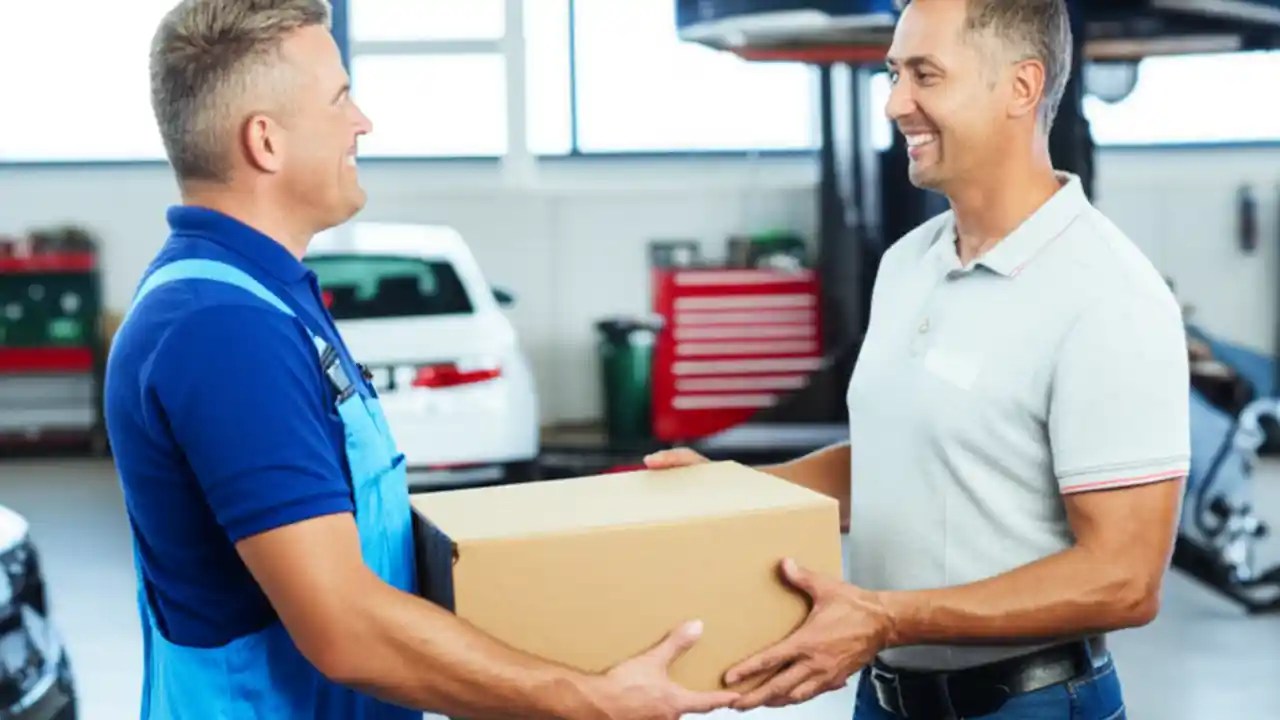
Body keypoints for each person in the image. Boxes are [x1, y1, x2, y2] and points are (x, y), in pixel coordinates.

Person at [103, 1, 740, 718]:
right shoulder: (221, 330)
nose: (362, 122)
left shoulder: (263, 296)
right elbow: (344, 627)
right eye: (340, 97)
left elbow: (363, 543)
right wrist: (587, 699)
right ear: (266, 142)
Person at [645, 0, 1189, 718]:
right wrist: (733, 489)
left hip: (1028, 703)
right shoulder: (909, 264)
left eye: (925, 75)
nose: (897, 103)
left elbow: (1123, 580)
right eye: (894, 73)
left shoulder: (1109, 294)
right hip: (888, 696)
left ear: (1021, 89)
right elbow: (894, 458)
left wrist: (888, 616)